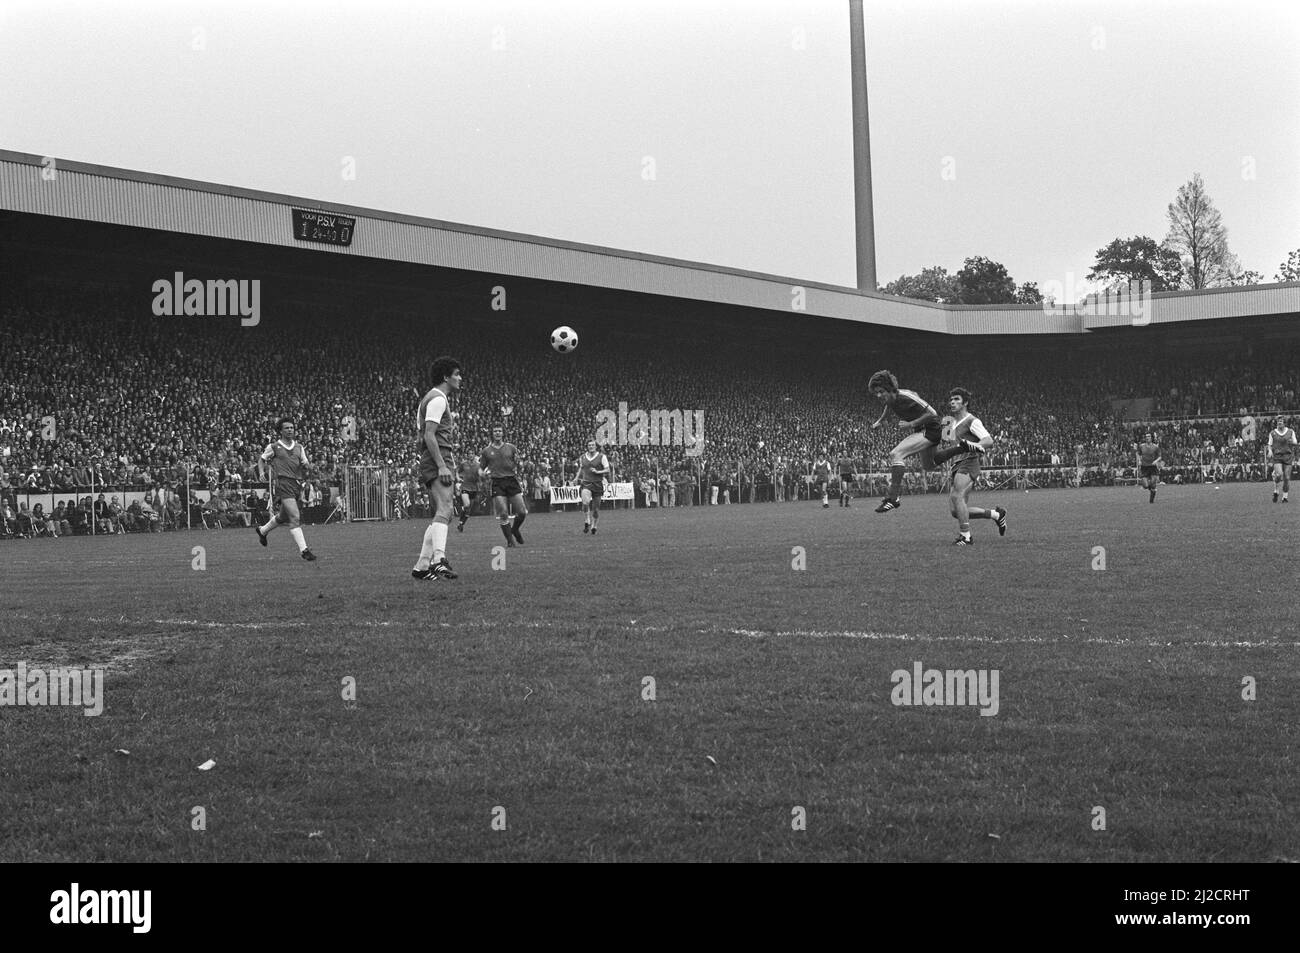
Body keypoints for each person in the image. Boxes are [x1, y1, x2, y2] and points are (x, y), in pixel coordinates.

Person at [933, 388, 1007, 545]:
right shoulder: (948, 421)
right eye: (951, 399)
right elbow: (947, 446)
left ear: (965, 402)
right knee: (956, 511)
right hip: (956, 465)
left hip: (969, 462)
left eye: (957, 399)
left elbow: (988, 441)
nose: (952, 402)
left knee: (956, 496)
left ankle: (966, 537)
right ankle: (996, 515)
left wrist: (971, 445)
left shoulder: (972, 421)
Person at [410, 357, 461, 580]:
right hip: (437, 458)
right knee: (445, 507)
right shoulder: (438, 399)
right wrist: (442, 465)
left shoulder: (429, 398)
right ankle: (439, 560)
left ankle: (422, 566)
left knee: (443, 513)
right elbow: (429, 434)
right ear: (445, 377)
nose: (460, 378)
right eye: (457, 374)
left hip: (435, 457)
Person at [867, 370, 942, 513]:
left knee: (896, 453)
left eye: (881, 391)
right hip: (923, 431)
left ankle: (893, 498)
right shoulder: (891, 399)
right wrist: (880, 421)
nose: (878, 395)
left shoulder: (906, 396)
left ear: (890, 389)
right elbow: (888, 406)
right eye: (876, 393)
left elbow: (933, 413)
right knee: (928, 466)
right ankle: (958, 451)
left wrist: (911, 424)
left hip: (931, 429)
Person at [254, 418, 317, 560]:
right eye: (287, 428)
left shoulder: (299, 447)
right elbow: (261, 459)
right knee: (295, 517)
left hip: (296, 485)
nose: (290, 430)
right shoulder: (274, 446)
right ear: (280, 431)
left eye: (292, 428)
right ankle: (304, 551)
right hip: (283, 483)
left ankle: (262, 531)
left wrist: (308, 467)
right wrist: (262, 472)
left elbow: (305, 464)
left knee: (283, 517)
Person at [480, 425, 528, 547]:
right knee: (503, 513)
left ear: (503, 433)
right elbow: (480, 469)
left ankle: (515, 529)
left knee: (522, 512)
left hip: (511, 480)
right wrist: (483, 475)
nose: (497, 433)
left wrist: (520, 463)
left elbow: (519, 463)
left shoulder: (511, 448)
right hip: (497, 482)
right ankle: (510, 541)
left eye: (499, 431)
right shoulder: (486, 451)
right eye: (495, 431)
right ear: (492, 433)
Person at [577, 439, 610, 534]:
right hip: (586, 483)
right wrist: (576, 478)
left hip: (597, 484)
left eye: (592, 445)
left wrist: (598, 471)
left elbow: (607, 470)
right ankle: (587, 520)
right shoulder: (583, 457)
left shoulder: (602, 457)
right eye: (589, 445)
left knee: (595, 509)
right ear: (587, 447)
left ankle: (594, 525)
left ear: (596, 447)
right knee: (585, 502)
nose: (591, 447)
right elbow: (581, 468)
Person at [1267, 415, 1296, 503]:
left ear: (1284, 423)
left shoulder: (1290, 431)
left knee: (1287, 478)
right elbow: (1269, 444)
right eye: (1278, 421)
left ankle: (1285, 497)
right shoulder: (1272, 433)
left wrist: (1292, 442)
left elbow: (1295, 442)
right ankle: (1276, 491)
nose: (1279, 422)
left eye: (1281, 421)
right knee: (1279, 475)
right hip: (1278, 456)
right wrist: (1270, 451)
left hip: (1288, 456)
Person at [455, 455, 482, 532]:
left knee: (468, 510)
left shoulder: (478, 465)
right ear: (467, 455)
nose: (470, 455)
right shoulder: (464, 464)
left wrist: (481, 478)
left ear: (474, 455)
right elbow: (457, 471)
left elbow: (481, 474)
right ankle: (462, 512)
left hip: (474, 488)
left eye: (472, 453)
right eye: (469, 453)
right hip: (465, 487)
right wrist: (458, 478)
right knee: (467, 505)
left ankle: (461, 524)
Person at [1135, 433, 1162, 504]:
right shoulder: (1141, 446)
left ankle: (1151, 501)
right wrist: (1139, 460)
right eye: (1146, 437)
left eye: (1149, 436)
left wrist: (1155, 461)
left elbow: (1160, 456)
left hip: (1152, 467)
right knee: (1146, 486)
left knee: (1153, 483)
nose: (1147, 438)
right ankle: (1152, 489)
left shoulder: (1155, 447)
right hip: (1144, 467)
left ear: (1151, 438)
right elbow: (1138, 453)